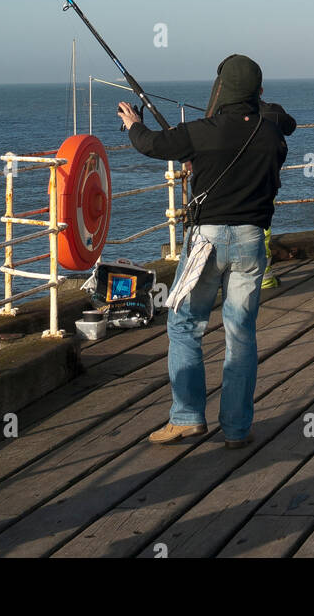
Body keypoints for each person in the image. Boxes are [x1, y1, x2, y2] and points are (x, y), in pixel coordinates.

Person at [118, 55, 295, 449]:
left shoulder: (202, 131)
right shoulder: (271, 134)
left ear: (221, 90)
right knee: (241, 332)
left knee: (184, 323)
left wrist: (133, 124)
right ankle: (236, 429)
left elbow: (151, 145)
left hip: (206, 241)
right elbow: (283, 121)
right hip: (252, 239)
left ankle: (186, 418)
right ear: (257, 91)